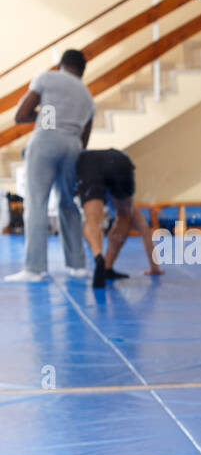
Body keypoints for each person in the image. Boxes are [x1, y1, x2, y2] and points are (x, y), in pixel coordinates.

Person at [6, 49, 94, 283]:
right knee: (68, 203)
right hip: (73, 146)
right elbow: (84, 139)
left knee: (36, 203)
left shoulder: (47, 77)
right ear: (82, 71)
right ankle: (77, 266)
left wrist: (49, 117)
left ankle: (35, 269)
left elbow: (21, 114)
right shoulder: (87, 96)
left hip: (45, 141)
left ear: (61, 65)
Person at [75, 148, 163, 288]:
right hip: (118, 161)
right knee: (124, 216)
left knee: (92, 219)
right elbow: (144, 230)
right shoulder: (124, 203)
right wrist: (154, 268)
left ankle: (99, 257)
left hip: (87, 162)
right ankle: (107, 266)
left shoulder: (100, 189)